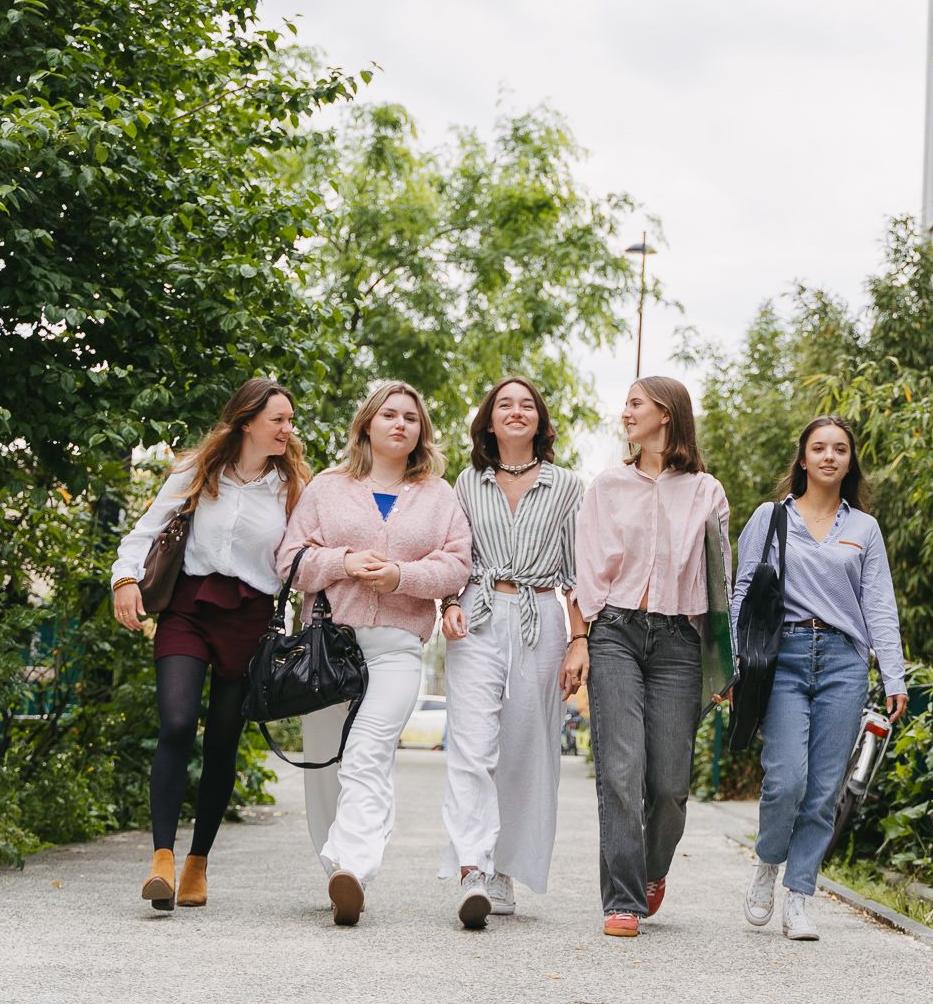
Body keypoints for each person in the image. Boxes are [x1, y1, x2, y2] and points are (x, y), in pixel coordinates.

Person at [276, 380, 471, 926]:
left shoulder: (439, 494)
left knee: (365, 752)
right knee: (323, 766)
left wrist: (401, 576)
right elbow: (289, 561)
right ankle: (335, 868)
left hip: (396, 651)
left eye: (411, 417)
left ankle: (355, 870)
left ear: (421, 432)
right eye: (389, 414)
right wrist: (342, 563)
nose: (400, 424)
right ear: (367, 423)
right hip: (328, 647)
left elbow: (458, 565)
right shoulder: (328, 487)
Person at [110, 376, 309, 912]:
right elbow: (143, 534)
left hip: (250, 620)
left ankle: (198, 862)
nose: (288, 431)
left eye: (291, 422)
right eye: (278, 421)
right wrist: (125, 580)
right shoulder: (196, 470)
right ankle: (161, 860)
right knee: (176, 724)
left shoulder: (293, 490)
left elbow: (299, 563)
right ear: (247, 421)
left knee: (223, 741)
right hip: (189, 608)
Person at [731, 415, 908, 941]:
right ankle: (768, 863)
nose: (829, 456)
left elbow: (879, 605)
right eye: (819, 448)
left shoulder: (864, 529)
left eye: (840, 449)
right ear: (803, 458)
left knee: (825, 789)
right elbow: (742, 590)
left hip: (844, 663)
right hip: (781, 656)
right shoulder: (770, 517)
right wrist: (737, 664)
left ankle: (800, 896)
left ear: (850, 461)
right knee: (786, 778)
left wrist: (893, 674)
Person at [575, 376, 730, 938]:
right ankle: (622, 899)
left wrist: (725, 663)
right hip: (615, 631)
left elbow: (720, 580)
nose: (626, 412)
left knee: (669, 785)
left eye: (635, 403)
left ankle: (652, 870)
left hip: (679, 644)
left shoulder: (707, 491)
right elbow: (587, 568)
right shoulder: (606, 486)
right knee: (620, 768)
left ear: (665, 414)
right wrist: (583, 637)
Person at [437, 375, 586, 928]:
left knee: (526, 748)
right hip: (476, 615)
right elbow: (455, 554)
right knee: (472, 745)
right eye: (505, 404)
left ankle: (502, 870)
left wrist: (579, 639)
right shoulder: (466, 482)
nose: (516, 411)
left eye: (527, 405)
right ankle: (472, 866)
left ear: (541, 422)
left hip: (540, 617)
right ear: (490, 420)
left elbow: (578, 574)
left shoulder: (568, 486)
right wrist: (448, 601)